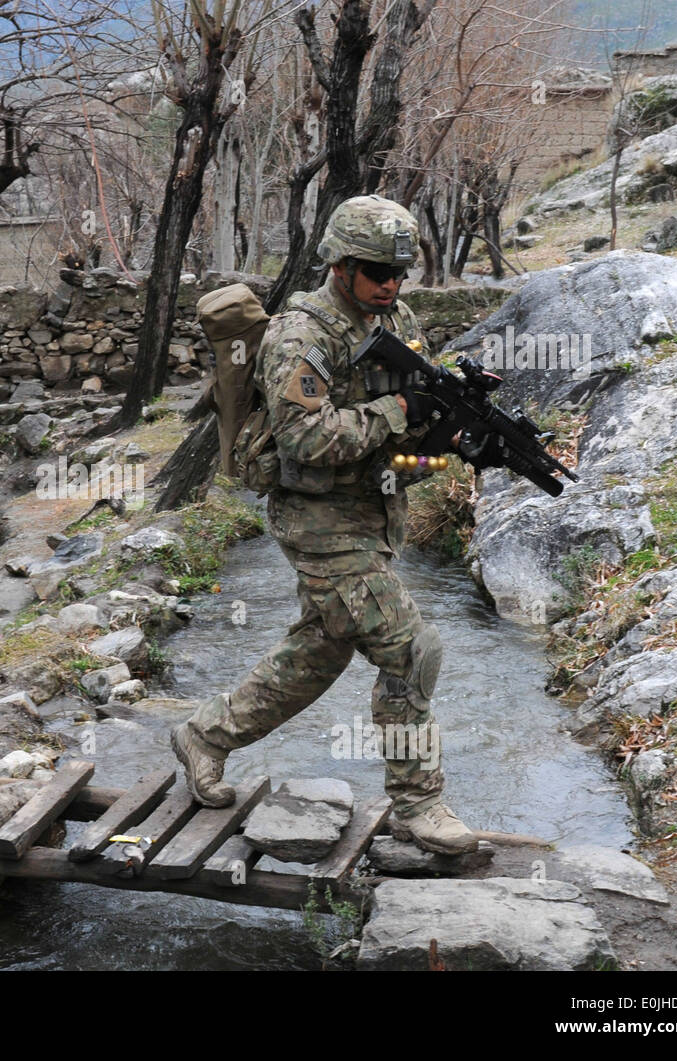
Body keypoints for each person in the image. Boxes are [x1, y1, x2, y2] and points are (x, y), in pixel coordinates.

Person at [170, 195, 477, 855]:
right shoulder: (304, 332)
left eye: (400, 270)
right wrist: (399, 409)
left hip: (373, 512)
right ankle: (417, 804)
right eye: (375, 270)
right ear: (340, 265)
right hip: (317, 519)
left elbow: (409, 423)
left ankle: (205, 735)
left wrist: (453, 433)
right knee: (413, 647)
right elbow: (306, 439)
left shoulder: (399, 317)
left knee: (319, 651)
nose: (390, 283)